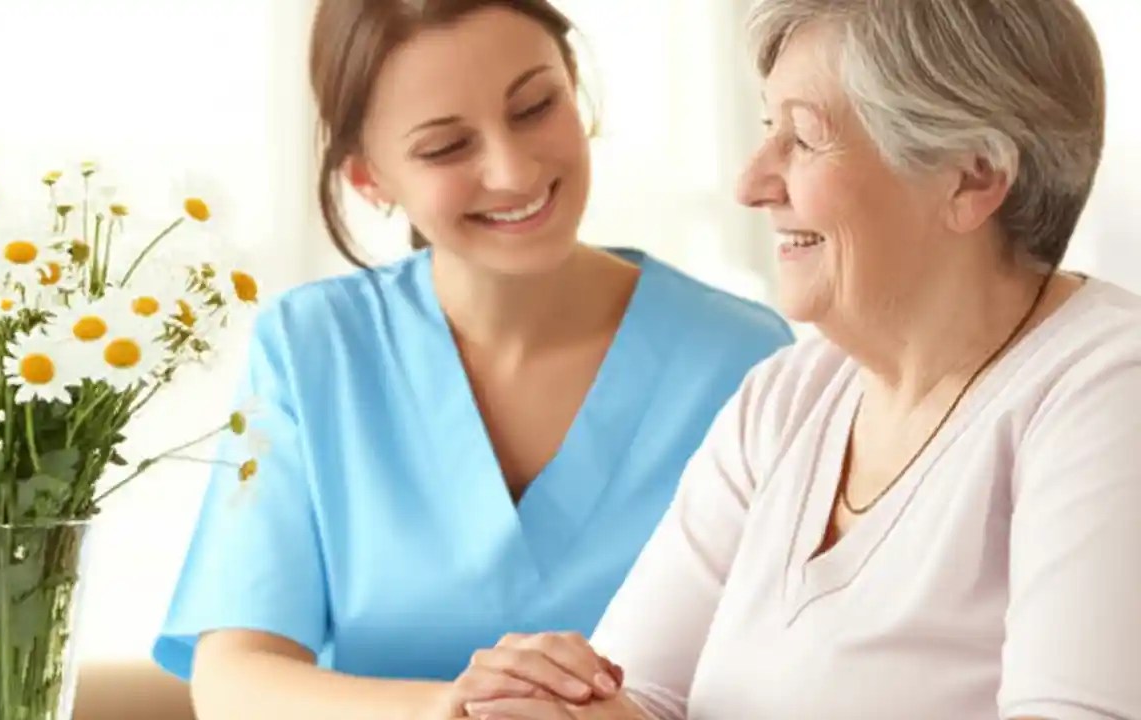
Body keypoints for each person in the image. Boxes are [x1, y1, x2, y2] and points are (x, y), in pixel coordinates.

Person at [449, 1, 1141, 719]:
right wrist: (538, 701)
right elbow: (639, 695)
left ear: (971, 177)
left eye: (805, 139)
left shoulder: (1106, 394)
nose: (752, 183)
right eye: (765, 129)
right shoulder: (786, 398)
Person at [150, 1, 794, 718]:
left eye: (534, 107)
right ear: (370, 179)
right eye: (446, 148)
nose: (514, 171)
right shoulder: (309, 349)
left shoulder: (745, 359)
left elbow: (795, 668)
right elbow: (235, 680)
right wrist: (453, 710)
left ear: (573, 86)